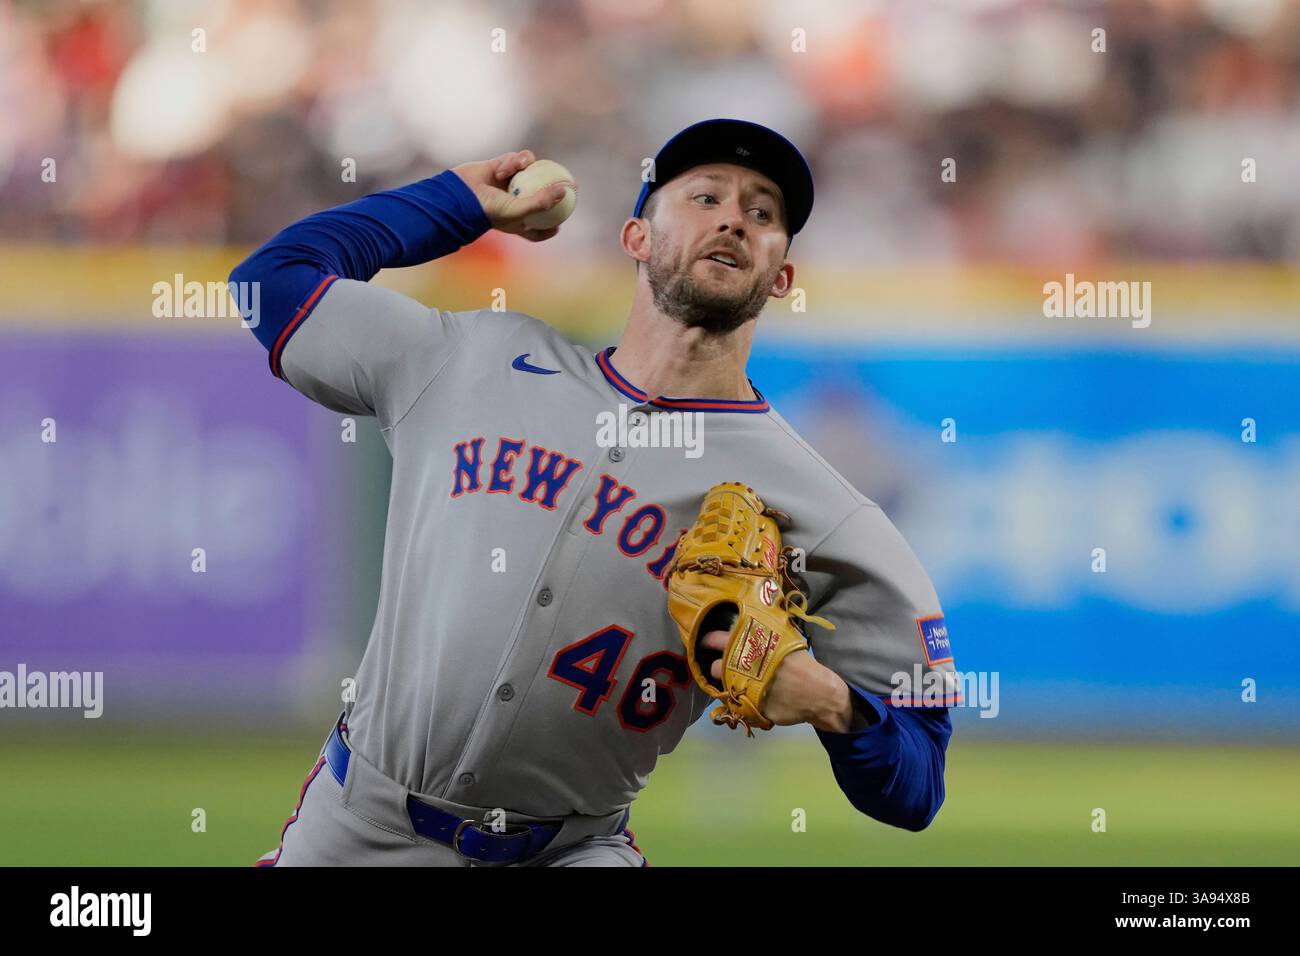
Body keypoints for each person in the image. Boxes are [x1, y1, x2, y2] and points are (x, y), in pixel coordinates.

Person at [231, 118, 958, 868]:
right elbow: (268, 281)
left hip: (574, 850)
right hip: (359, 832)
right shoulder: (473, 360)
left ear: (781, 277)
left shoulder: (823, 510)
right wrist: (455, 203)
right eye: (705, 196)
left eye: (763, 212)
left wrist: (833, 704)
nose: (734, 218)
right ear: (637, 237)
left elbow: (918, 786)